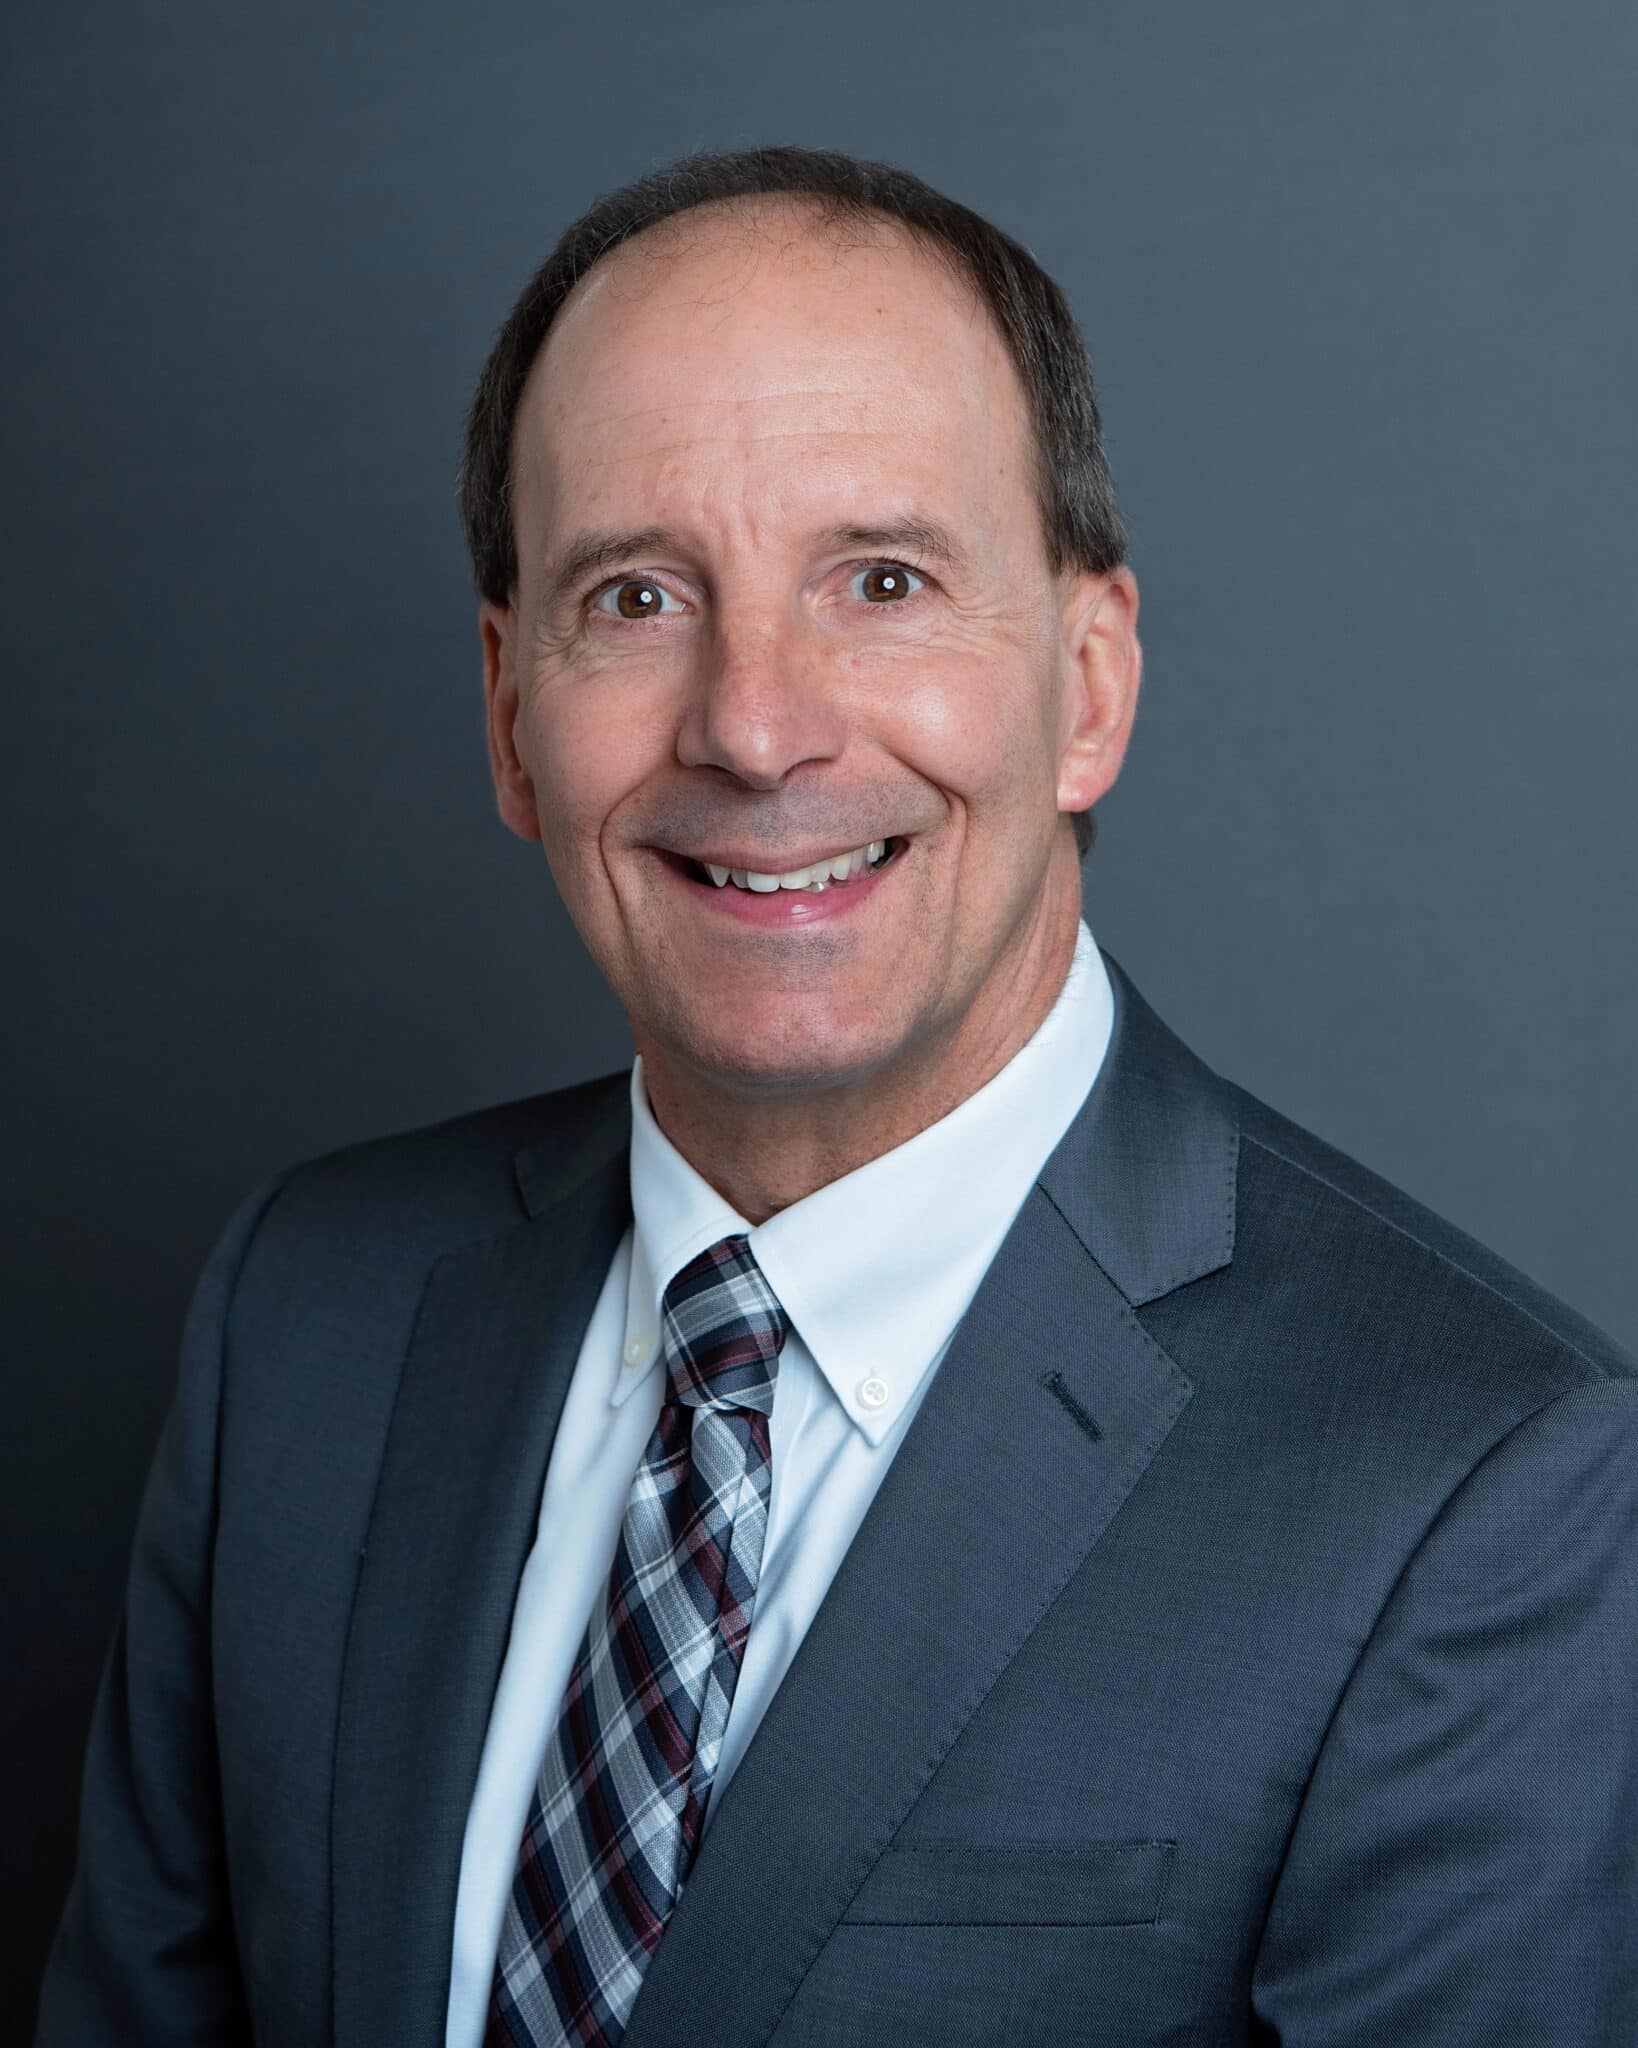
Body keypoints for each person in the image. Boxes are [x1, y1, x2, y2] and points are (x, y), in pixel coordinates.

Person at [35, 144, 1638, 2048]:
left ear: (1087, 687)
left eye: (881, 581)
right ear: (510, 716)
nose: (753, 722)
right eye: (637, 594)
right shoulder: (310, 1314)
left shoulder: (1476, 1486)